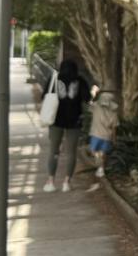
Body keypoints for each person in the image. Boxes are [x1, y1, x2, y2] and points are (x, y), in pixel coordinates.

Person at [43, 58, 90, 193]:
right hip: (74, 121)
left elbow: (44, 96)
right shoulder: (80, 81)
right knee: (71, 153)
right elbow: (87, 99)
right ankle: (66, 183)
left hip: (55, 120)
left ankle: (51, 182)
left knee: (54, 151)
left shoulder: (54, 78)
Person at [87, 85, 120, 180]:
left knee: (94, 151)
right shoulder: (114, 112)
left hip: (96, 134)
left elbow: (90, 103)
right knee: (103, 153)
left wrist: (94, 93)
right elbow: (114, 127)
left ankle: (100, 166)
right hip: (107, 136)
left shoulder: (96, 107)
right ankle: (101, 168)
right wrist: (114, 139)